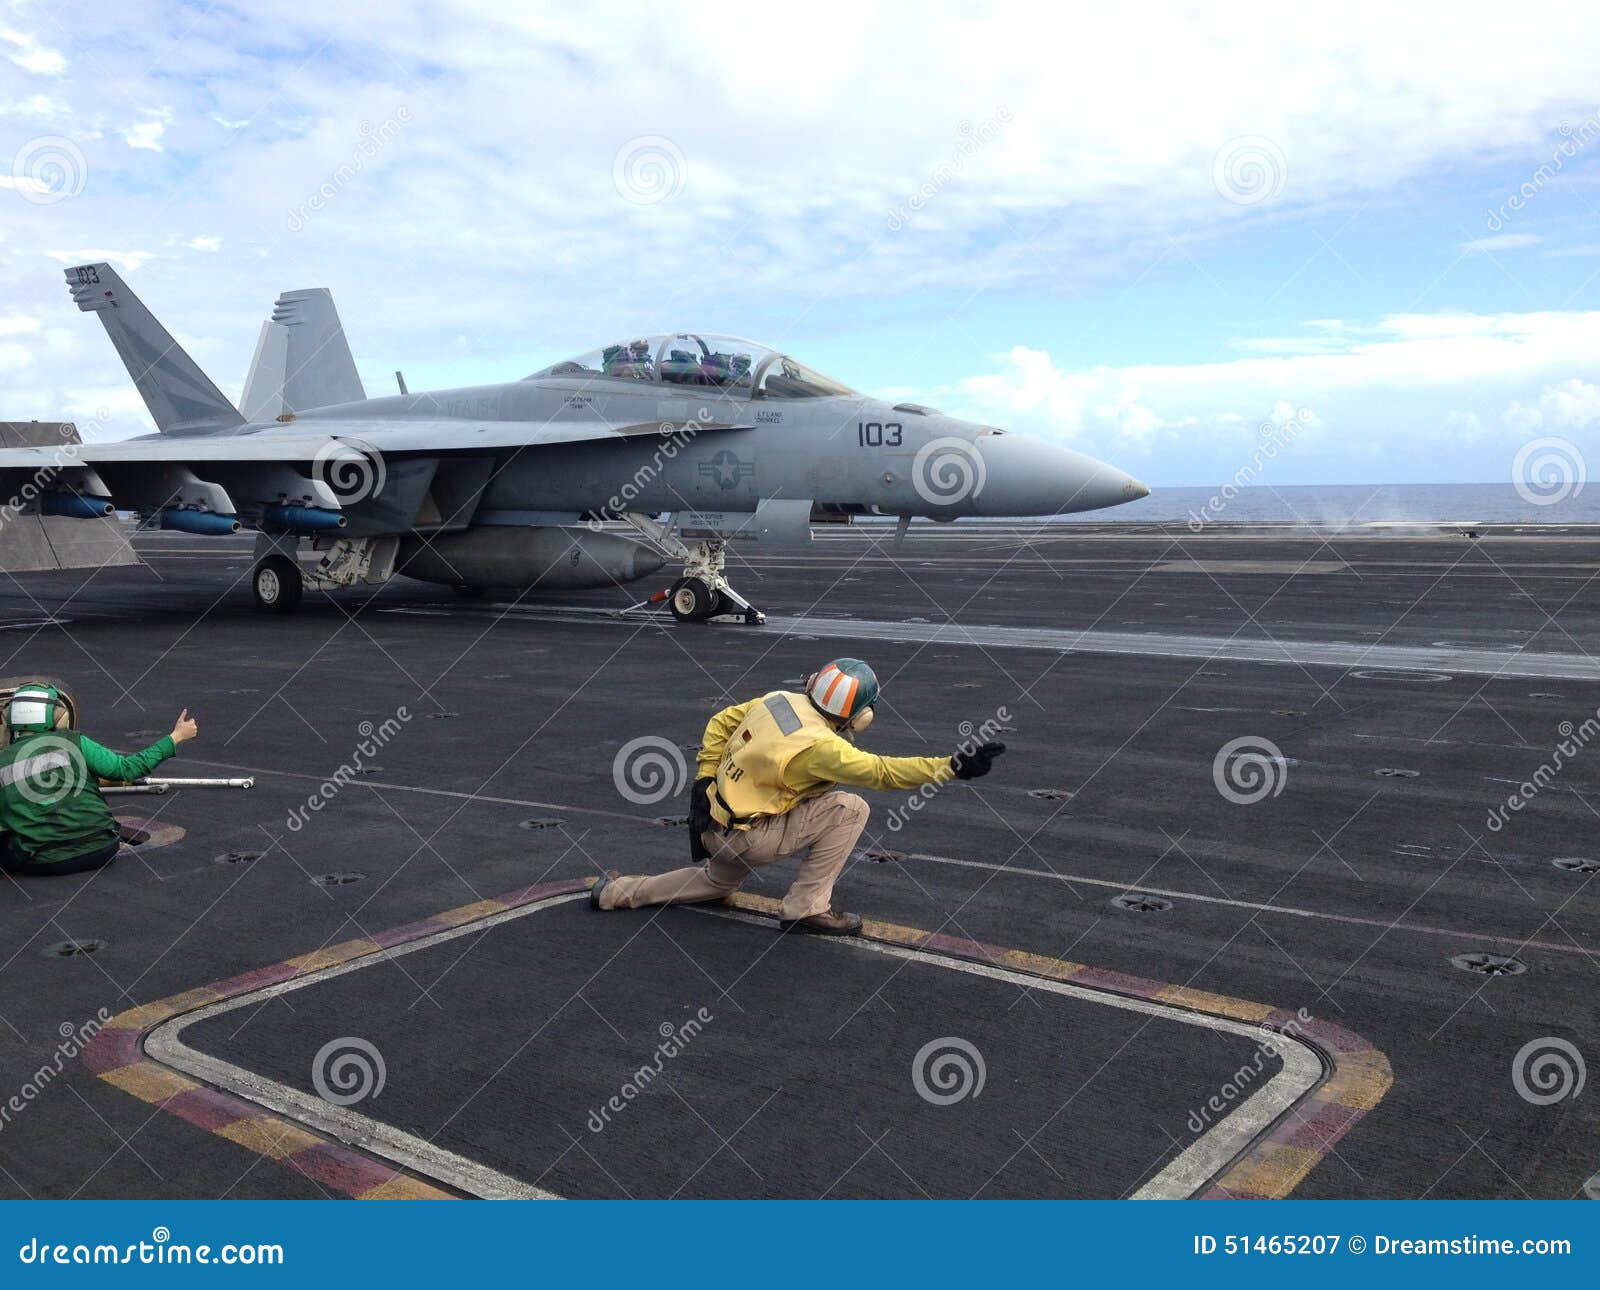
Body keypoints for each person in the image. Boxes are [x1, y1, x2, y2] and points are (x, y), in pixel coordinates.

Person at [592, 658, 1003, 935]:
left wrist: (702, 779)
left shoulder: (778, 700)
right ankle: (806, 908)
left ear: (813, 684)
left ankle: (617, 893)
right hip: (750, 838)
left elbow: (720, 721)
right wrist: (951, 765)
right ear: (860, 715)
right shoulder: (824, 748)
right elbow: (882, 773)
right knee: (850, 807)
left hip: (711, 823)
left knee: (718, 882)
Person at [0, 682, 198, 876]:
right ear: (57, 716)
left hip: (44, 862)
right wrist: (176, 736)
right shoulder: (75, 741)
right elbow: (127, 769)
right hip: (102, 850)